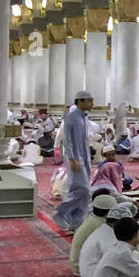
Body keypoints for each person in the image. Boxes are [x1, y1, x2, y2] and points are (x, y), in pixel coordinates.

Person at [56, 91, 95, 231]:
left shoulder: (84, 118)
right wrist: (71, 158)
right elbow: (67, 140)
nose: (92, 104)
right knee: (83, 190)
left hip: (85, 158)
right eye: (89, 101)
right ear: (80, 101)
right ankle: (60, 213)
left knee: (84, 193)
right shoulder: (71, 117)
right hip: (75, 158)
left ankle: (76, 223)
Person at [70, 194, 117, 275]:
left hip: (80, 263)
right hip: (85, 268)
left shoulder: (93, 219)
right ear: (109, 212)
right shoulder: (100, 226)